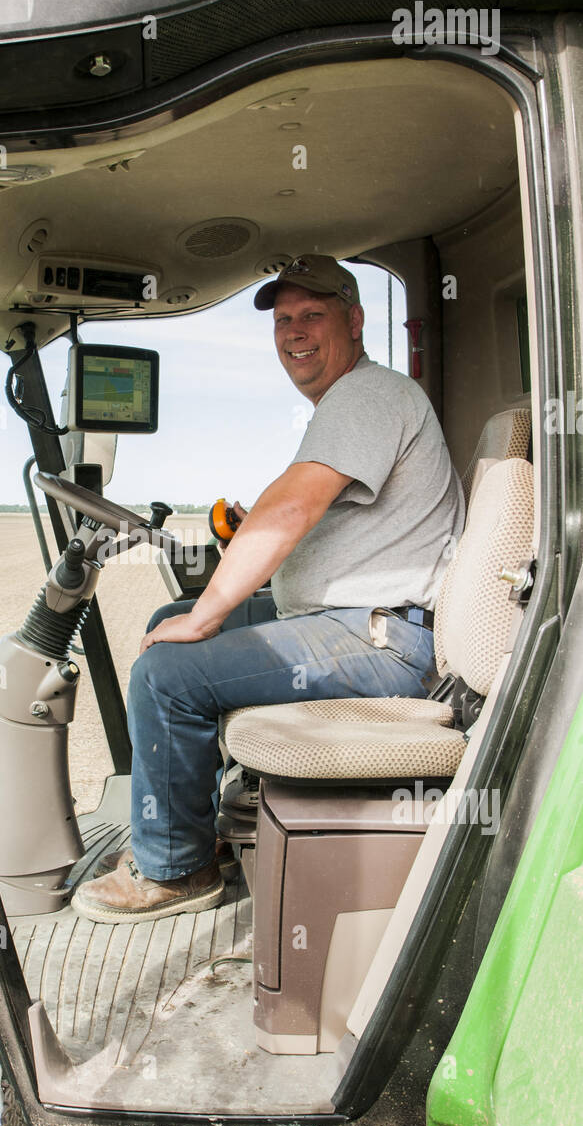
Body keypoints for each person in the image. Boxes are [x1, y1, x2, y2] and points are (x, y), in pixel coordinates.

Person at [71, 254, 464, 924]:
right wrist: (214, 593)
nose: (294, 332)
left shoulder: (368, 395)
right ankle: (200, 829)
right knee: (176, 613)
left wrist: (212, 613)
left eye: (312, 315)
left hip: (383, 638)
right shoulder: (353, 402)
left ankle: (176, 869)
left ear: (354, 320)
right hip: (356, 618)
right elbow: (298, 513)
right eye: (283, 320)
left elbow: (291, 509)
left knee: (167, 673)